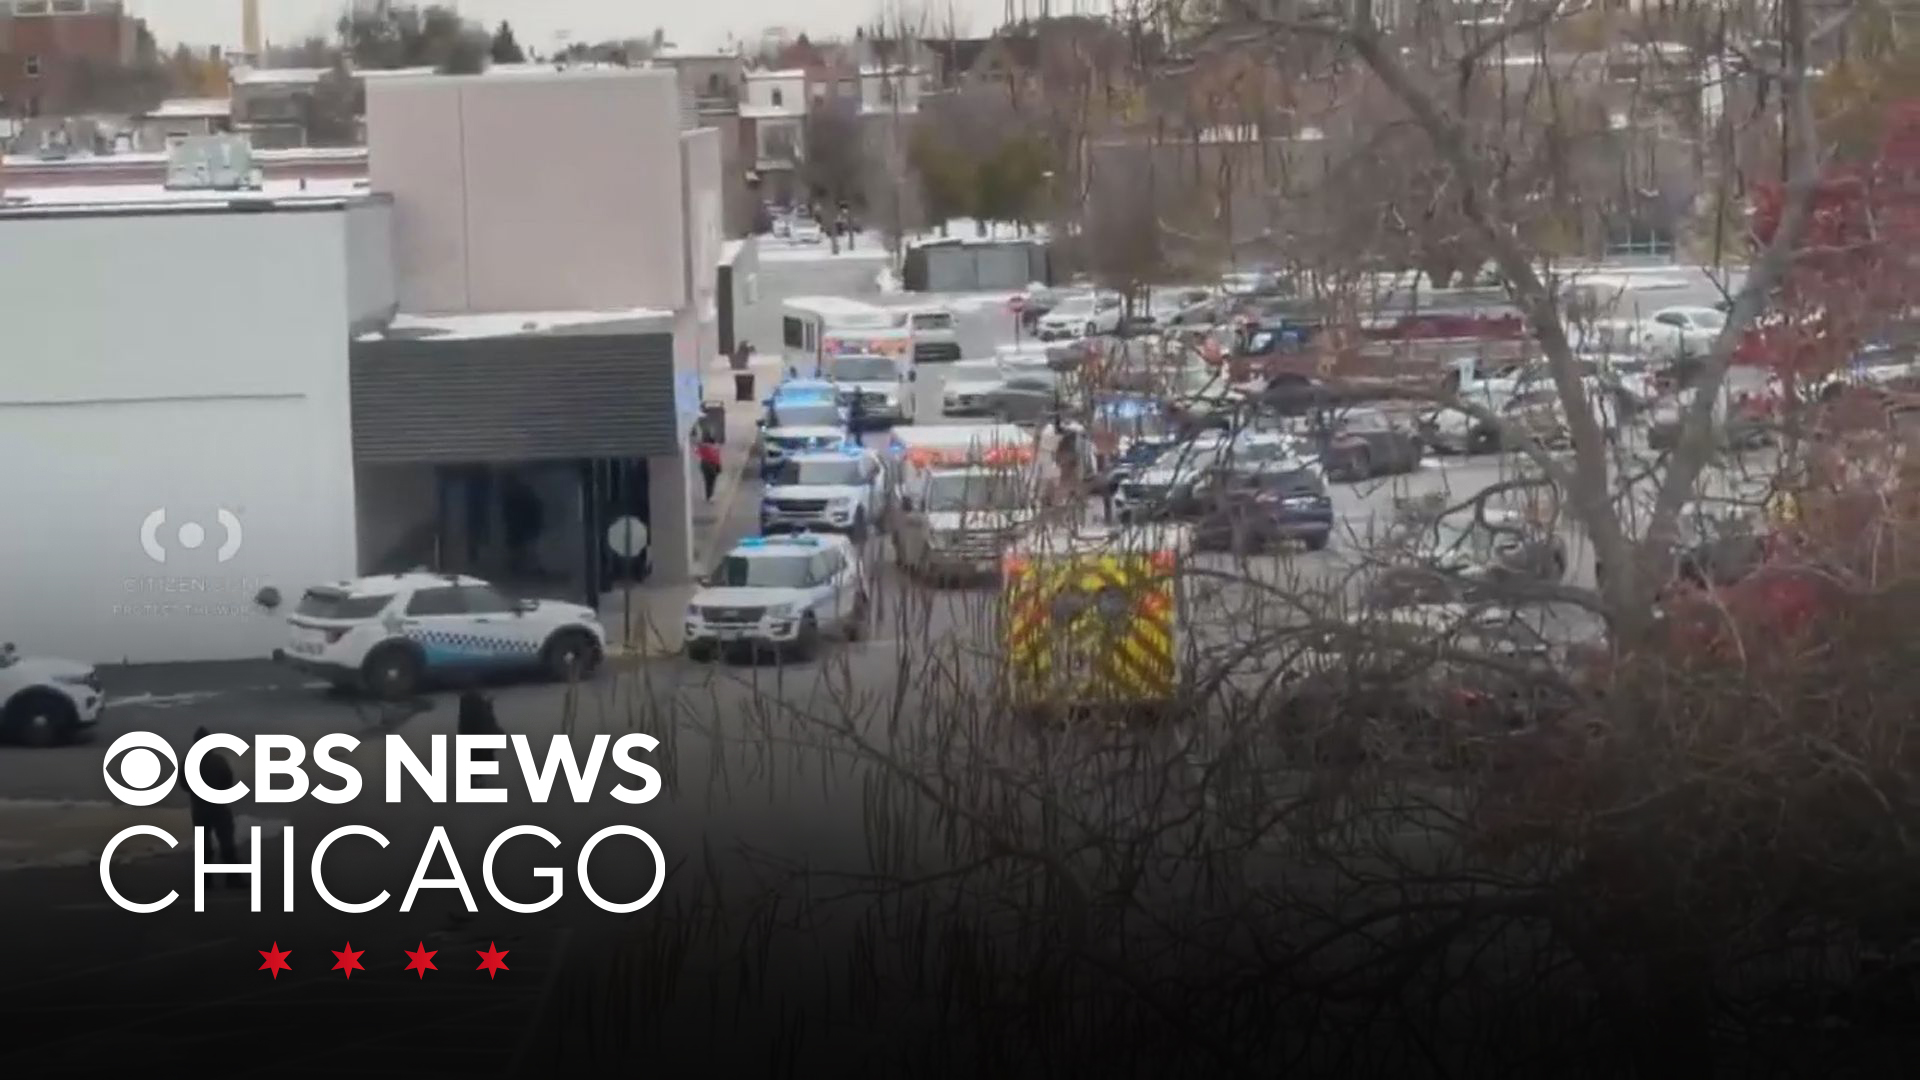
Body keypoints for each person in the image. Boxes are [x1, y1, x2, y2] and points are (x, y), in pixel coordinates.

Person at [188, 726, 244, 890]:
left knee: (203, 846)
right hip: (218, 807)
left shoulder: (189, 761)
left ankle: (205, 881)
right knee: (227, 843)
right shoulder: (219, 761)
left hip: (199, 809)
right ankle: (232, 878)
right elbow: (228, 779)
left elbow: (184, 783)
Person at [697, 434, 723, 501]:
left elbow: (697, 452)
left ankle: (708, 496)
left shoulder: (702, 447)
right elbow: (717, 458)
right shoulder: (715, 448)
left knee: (707, 481)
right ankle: (710, 496)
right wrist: (719, 467)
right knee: (712, 481)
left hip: (704, 464)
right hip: (712, 465)